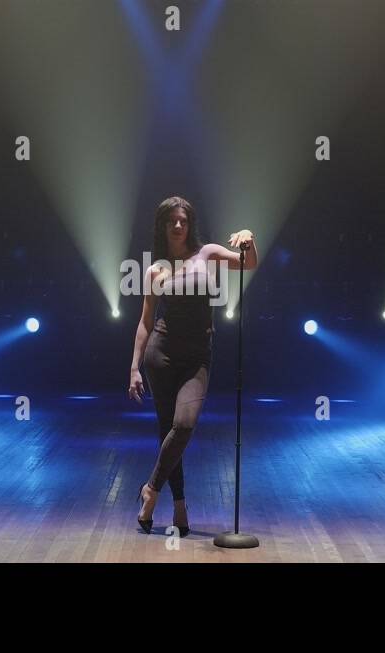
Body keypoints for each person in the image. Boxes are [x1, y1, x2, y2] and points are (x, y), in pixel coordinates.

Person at [128, 196, 258, 535]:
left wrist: (248, 237)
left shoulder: (208, 253)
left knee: (183, 425)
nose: (178, 225)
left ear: (190, 224)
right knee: (167, 431)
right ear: (163, 225)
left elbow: (248, 264)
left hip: (197, 355)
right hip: (161, 353)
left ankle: (151, 490)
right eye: (171, 220)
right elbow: (144, 322)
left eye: (183, 219)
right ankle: (180, 506)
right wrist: (134, 368)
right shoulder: (155, 269)